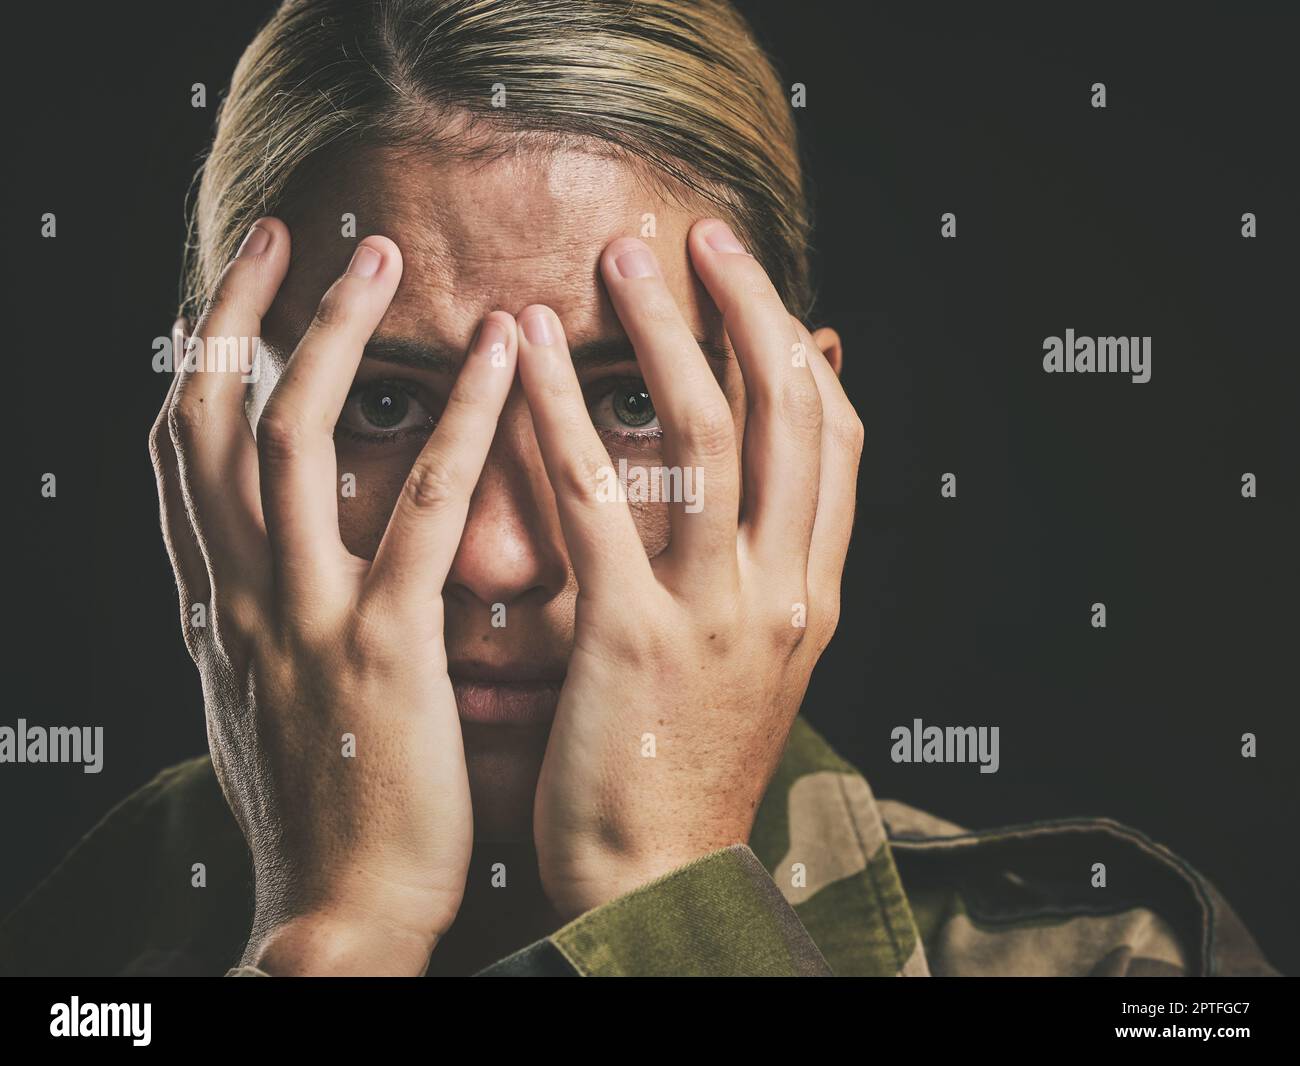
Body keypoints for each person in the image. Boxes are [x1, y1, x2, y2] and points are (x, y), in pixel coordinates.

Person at [0, 0, 1276, 977]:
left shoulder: (1117, 963)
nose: (497, 558)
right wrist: (336, 941)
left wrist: (668, 905)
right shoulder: (69, 952)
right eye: (380, 404)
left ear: (803, 435)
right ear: (213, 433)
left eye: (624, 401)